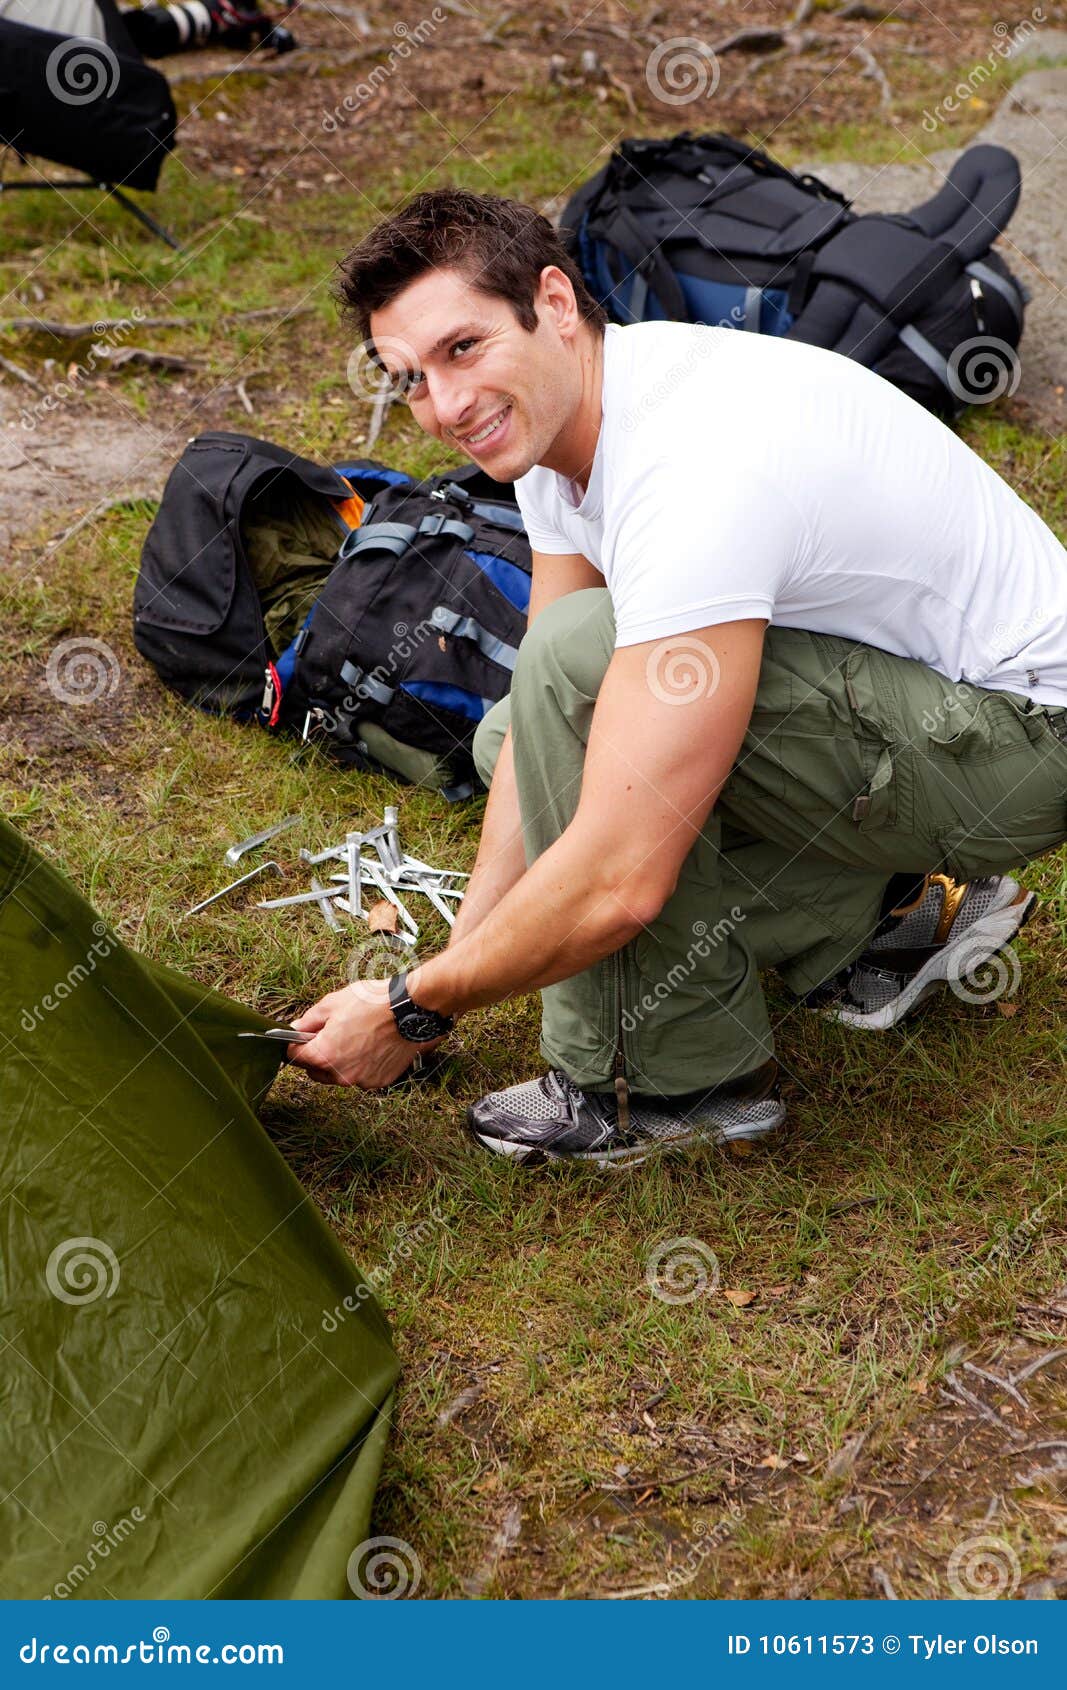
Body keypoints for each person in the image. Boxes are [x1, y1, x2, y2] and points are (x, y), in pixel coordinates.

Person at [288, 188, 1067, 1169]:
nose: (445, 408)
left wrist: (407, 1009)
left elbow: (618, 876)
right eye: (411, 379)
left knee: (582, 672)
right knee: (520, 723)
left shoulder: (688, 465)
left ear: (555, 304)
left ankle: (649, 1082)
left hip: (1017, 745)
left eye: (462, 348)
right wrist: (440, 988)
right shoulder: (556, 417)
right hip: (925, 712)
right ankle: (881, 924)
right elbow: (539, 716)